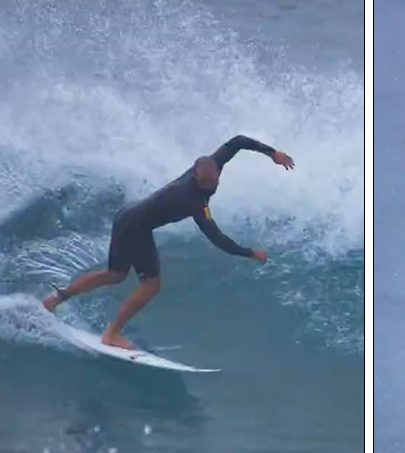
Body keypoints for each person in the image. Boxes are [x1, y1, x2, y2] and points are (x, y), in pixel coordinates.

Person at [41, 135, 295, 350]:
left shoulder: (211, 164)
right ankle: (112, 334)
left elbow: (237, 141)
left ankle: (55, 299)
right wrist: (249, 253)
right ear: (197, 176)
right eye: (207, 183)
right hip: (136, 228)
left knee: (114, 274)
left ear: (216, 171)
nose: (211, 185)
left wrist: (272, 153)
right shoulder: (194, 201)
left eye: (213, 181)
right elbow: (216, 238)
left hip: (126, 217)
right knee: (151, 285)